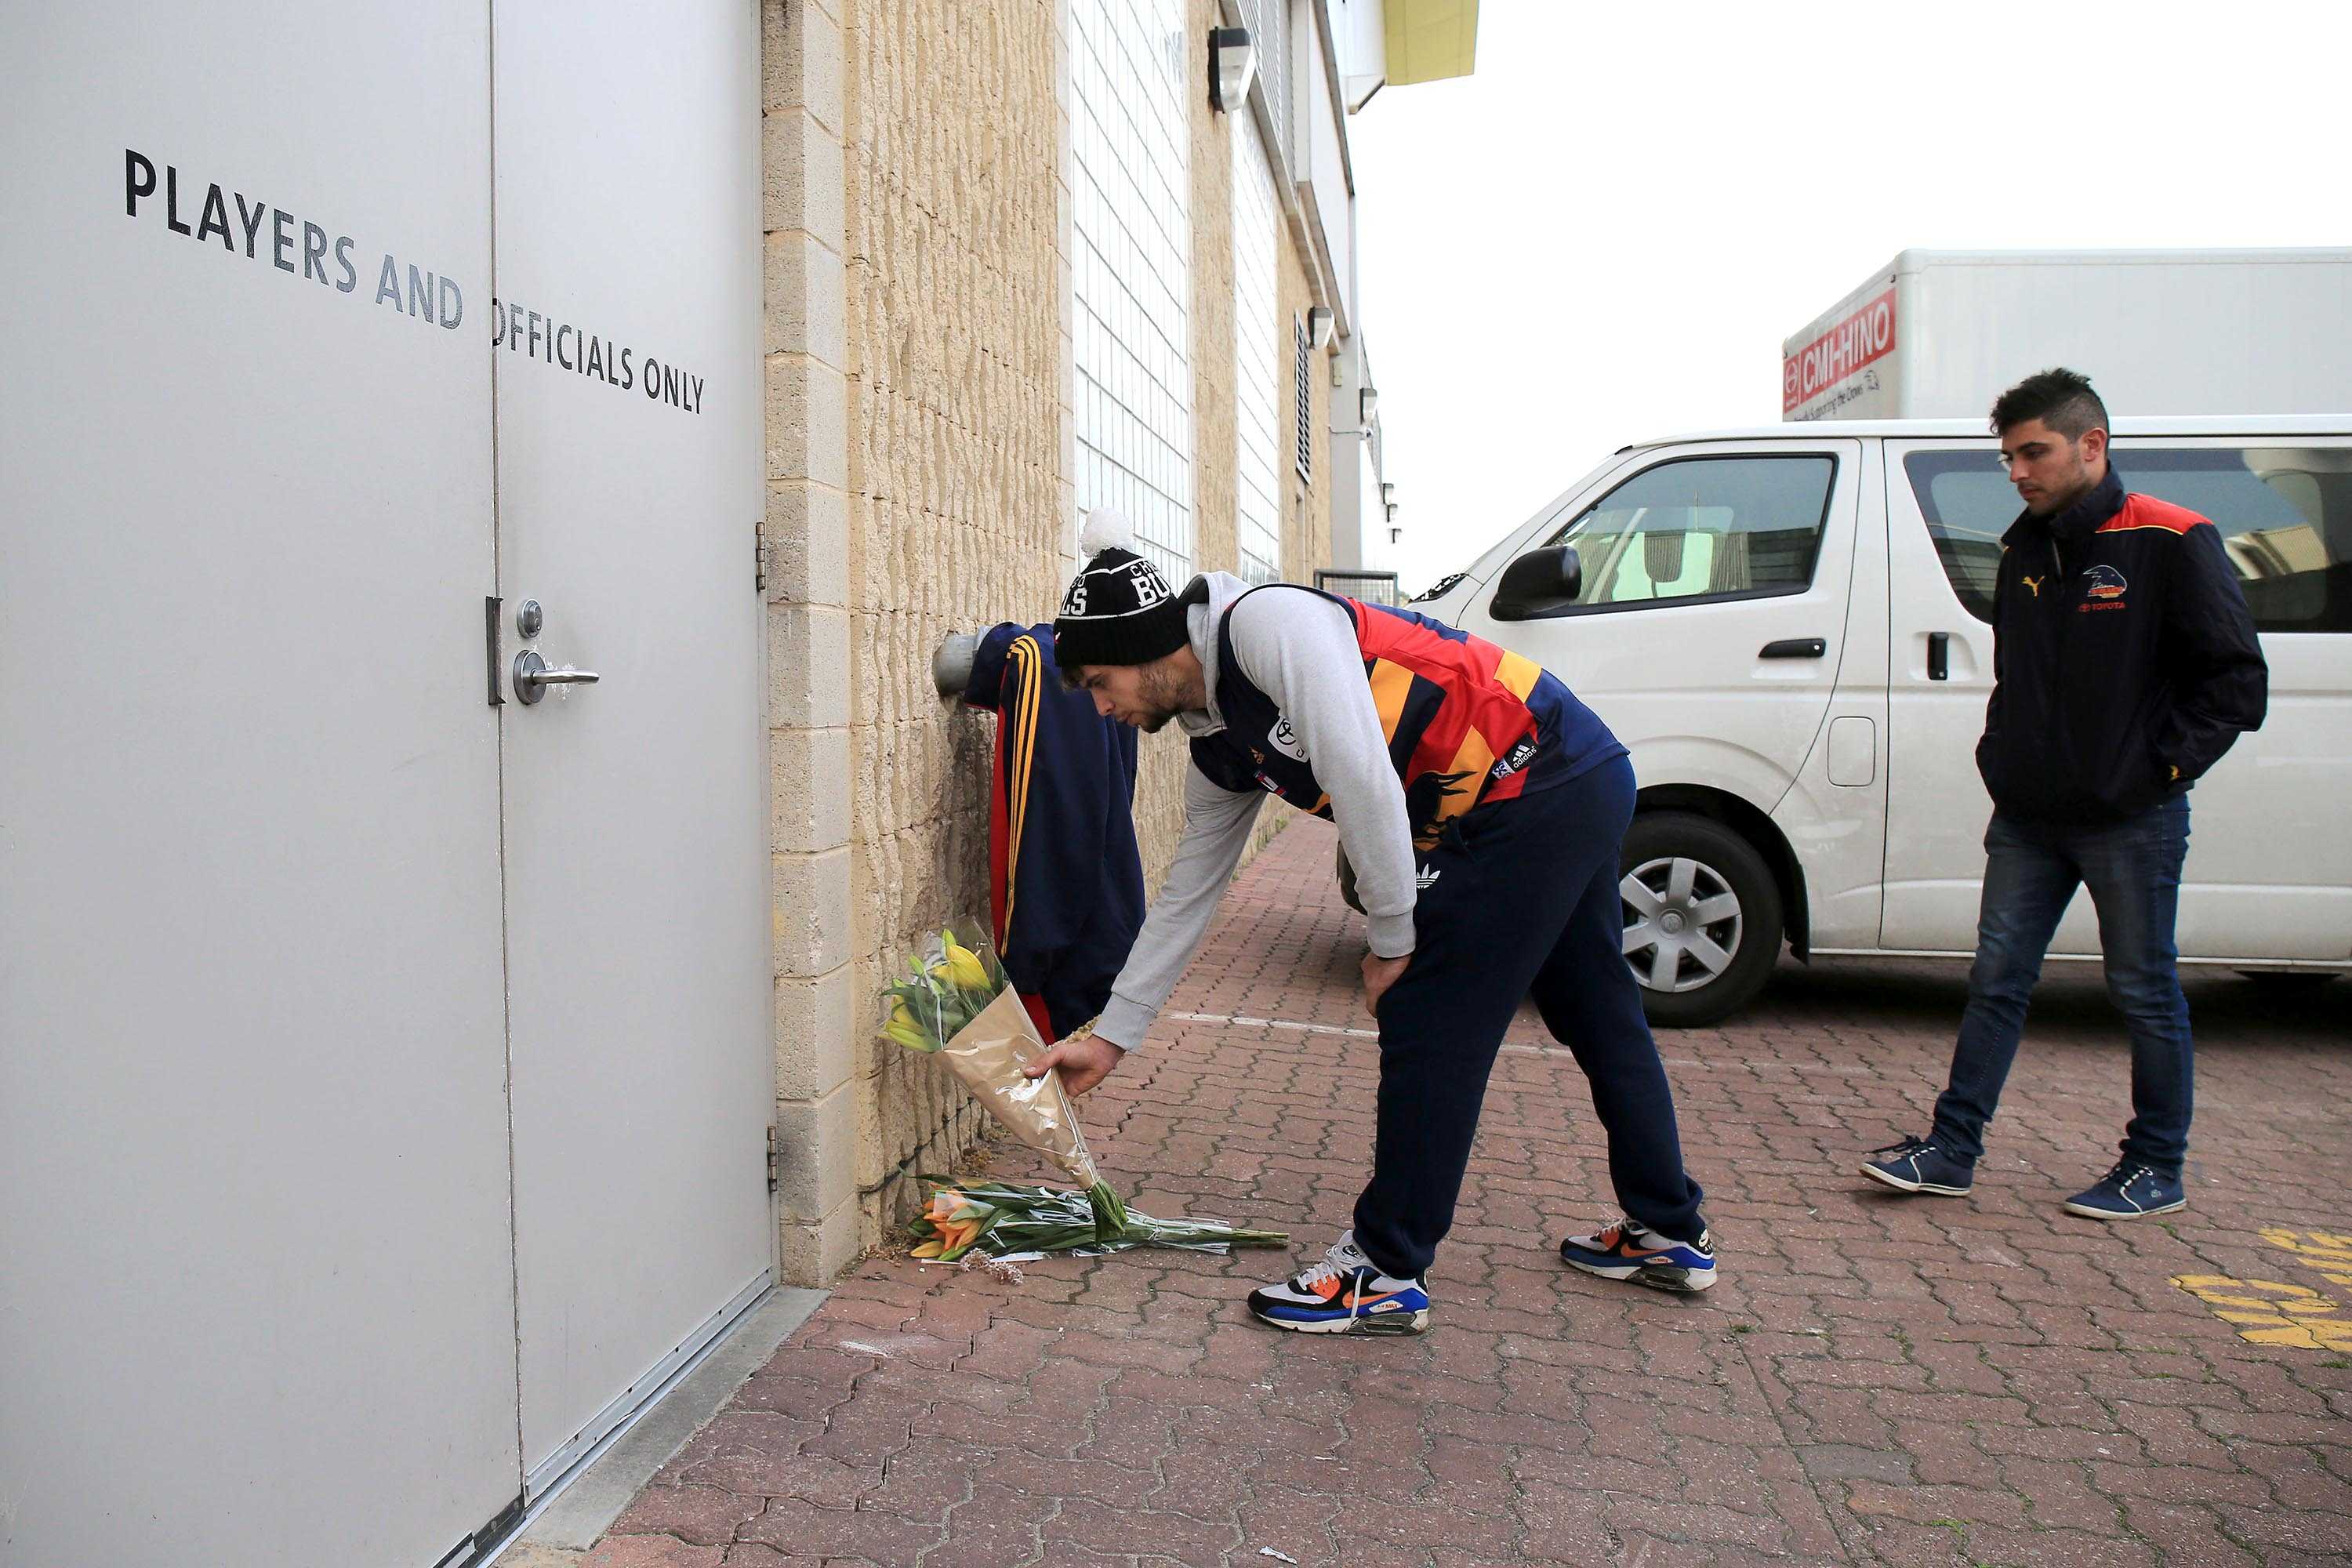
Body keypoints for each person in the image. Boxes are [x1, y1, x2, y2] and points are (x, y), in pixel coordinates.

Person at [1025, 509, 1713, 1334]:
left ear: (1144, 648)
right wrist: (1112, 1037)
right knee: (1594, 1007)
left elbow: (1361, 777)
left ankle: (1386, 1269)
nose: (1101, 706)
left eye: (1100, 682)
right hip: (1565, 780)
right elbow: (1188, 893)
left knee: (1430, 1012)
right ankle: (1669, 1228)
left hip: (1533, 775)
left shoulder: (1268, 628)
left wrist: (1393, 940)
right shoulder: (1217, 745)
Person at [1863, 368, 2267, 1219]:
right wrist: (2003, 759)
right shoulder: (2022, 548)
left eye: (2034, 453)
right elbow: (2018, 678)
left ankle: (2155, 1167)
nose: (2017, 472)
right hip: (2029, 816)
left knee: (2144, 990)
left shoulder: (2170, 536)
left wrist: (2153, 771)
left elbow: (2235, 685)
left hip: (2132, 818)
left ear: (2092, 444)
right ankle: (1952, 1150)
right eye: (2008, 457)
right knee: (1996, 980)